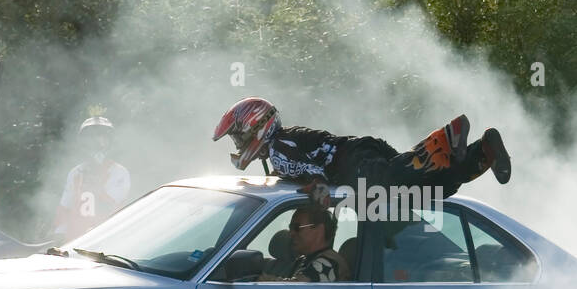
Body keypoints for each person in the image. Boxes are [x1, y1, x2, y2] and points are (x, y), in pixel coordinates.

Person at [211, 98, 511, 206]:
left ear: (256, 125)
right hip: (360, 150)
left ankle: (443, 139)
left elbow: (315, 177)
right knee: (428, 191)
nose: (238, 142)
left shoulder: (278, 149)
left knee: (388, 182)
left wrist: (319, 198)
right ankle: (480, 153)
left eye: (239, 134)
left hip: (352, 160)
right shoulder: (283, 147)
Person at [52, 116, 131, 240]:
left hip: (107, 239)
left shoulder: (119, 172)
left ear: (110, 142)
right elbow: (65, 208)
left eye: (101, 138)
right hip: (76, 240)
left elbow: (111, 205)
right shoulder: (76, 173)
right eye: (90, 139)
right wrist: (59, 233)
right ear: (82, 143)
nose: (95, 143)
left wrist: (96, 185)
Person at [259, 203, 347, 282]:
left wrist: (266, 280)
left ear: (319, 230)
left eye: (297, 227)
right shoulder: (303, 260)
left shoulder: (328, 263)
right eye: (291, 228)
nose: (291, 233)